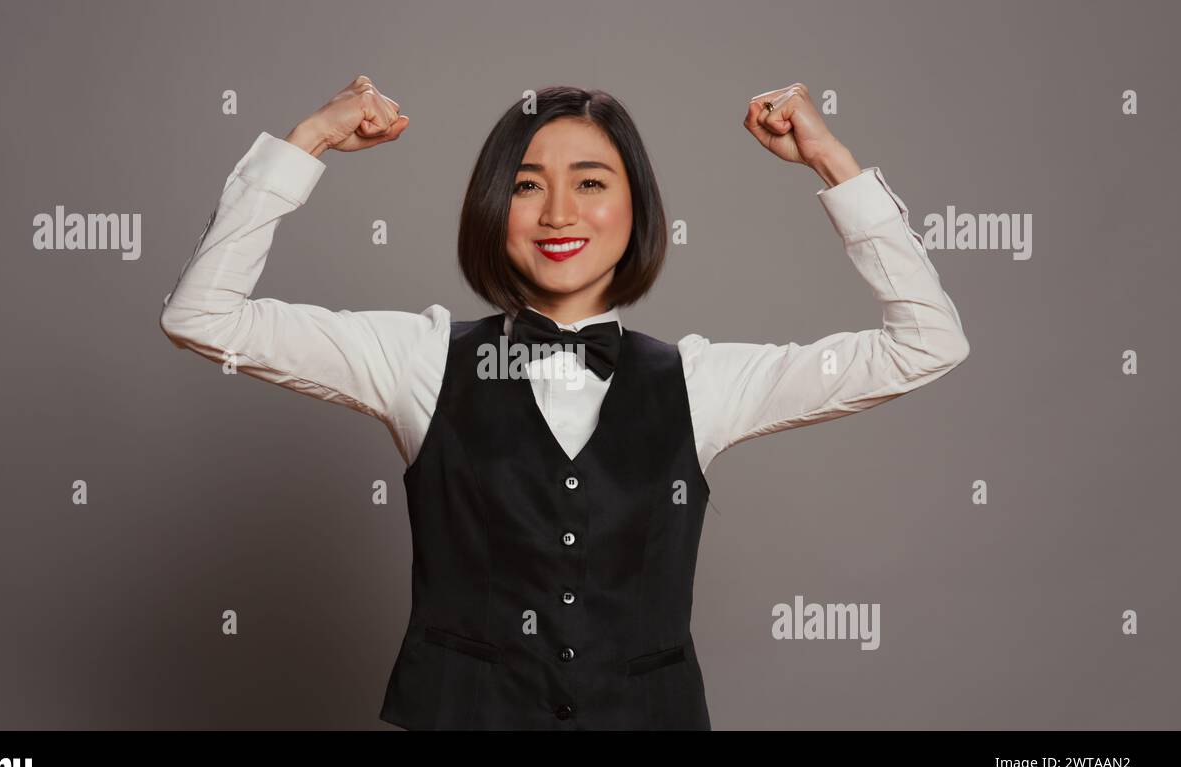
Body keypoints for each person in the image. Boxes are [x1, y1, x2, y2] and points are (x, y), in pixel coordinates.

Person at [159, 76, 969, 730]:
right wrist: (308, 144)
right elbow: (202, 315)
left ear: (636, 208)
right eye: (526, 186)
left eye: (590, 182)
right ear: (492, 207)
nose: (558, 214)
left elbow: (927, 342)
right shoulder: (417, 359)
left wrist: (832, 162)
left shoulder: (703, 381)